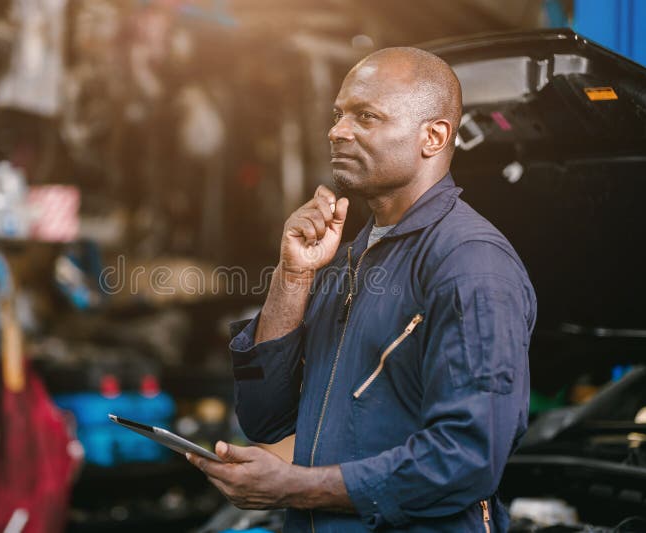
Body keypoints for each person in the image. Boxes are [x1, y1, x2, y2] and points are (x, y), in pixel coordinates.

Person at [187, 47, 537, 532]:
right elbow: (266, 418)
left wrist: (292, 486)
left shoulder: (470, 263)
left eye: (366, 117)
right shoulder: (351, 257)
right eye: (338, 114)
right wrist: (293, 276)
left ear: (433, 137)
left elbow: (468, 457)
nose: (337, 131)